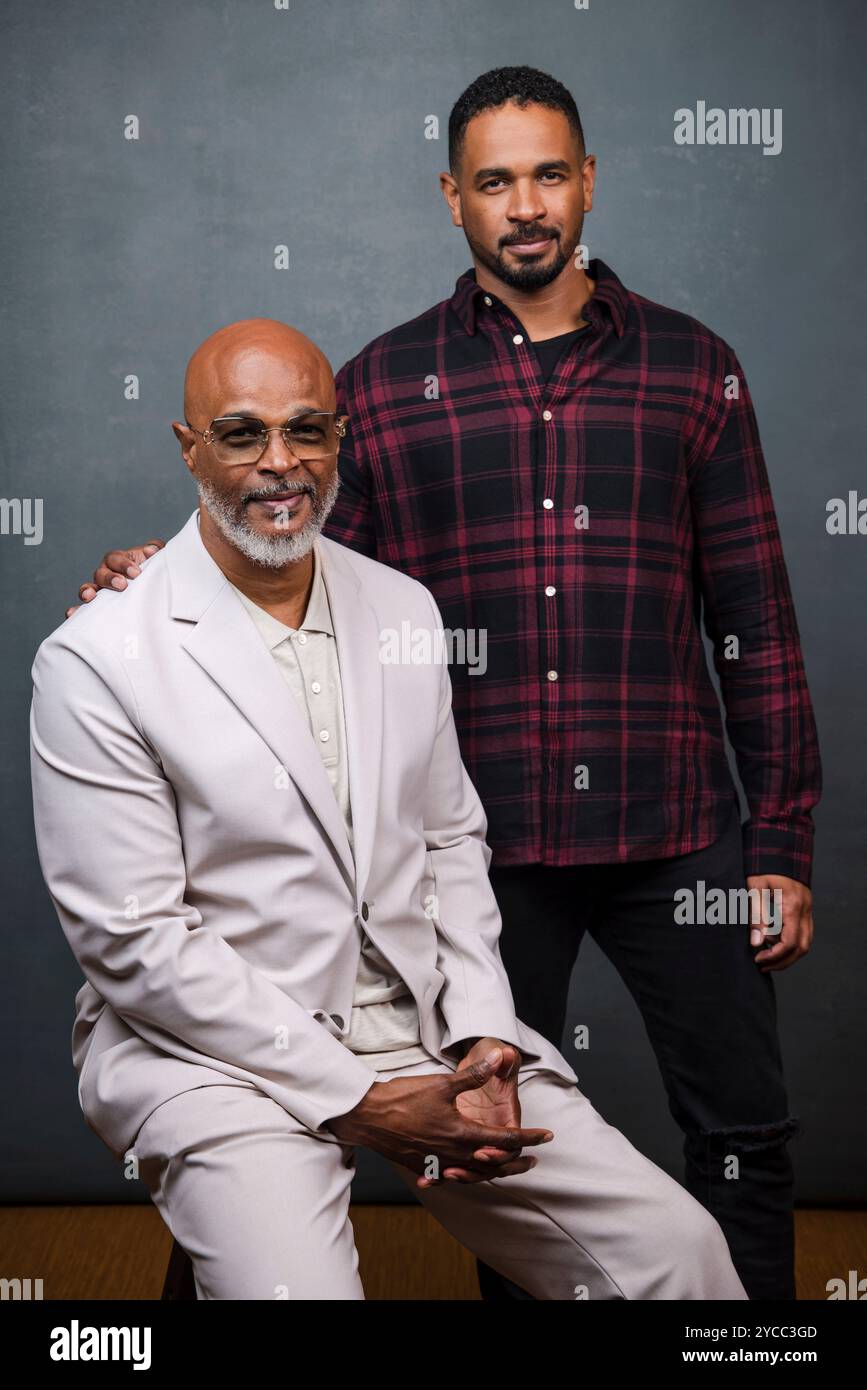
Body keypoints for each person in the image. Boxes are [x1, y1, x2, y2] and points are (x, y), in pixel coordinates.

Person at [67, 66, 821, 1302]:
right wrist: (158, 574)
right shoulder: (381, 383)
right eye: (493, 180)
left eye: (547, 173)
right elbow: (280, 531)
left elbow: (754, 606)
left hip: (677, 830)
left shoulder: (696, 368)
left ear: (587, 181)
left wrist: (778, 835)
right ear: (452, 199)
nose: (524, 204)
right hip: (479, 844)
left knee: (745, 1133)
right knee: (491, 1141)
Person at [32, 319, 747, 1301]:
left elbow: (449, 834)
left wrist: (487, 1031)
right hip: (214, 1052)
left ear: (340, 436)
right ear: (188, 446)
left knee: (682, 1250)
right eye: (242, 434)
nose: (280, 464)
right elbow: (135, 943)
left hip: (426, 1032)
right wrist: (363, 1100)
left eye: (307, 430)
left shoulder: (404, 609)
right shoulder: (98, 656)